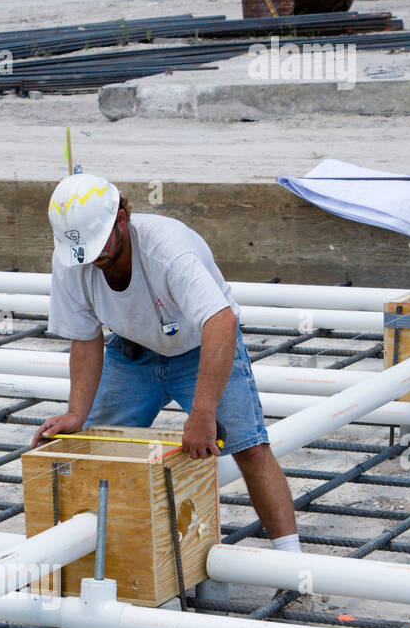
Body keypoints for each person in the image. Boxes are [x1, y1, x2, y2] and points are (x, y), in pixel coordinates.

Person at [33, 173, 300, 558]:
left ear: (122, 218)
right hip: (133, 353)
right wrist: (76, 413)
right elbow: (86, 337)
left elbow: (221, 322)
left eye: (99, 245)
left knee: (249, 447)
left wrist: (203, 413)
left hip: (201, 347)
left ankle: (291, 561)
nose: (93, 258)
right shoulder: (72, 260)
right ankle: (102, 554)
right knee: (100, 448)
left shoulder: (168, 251)